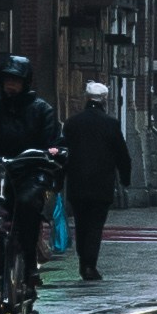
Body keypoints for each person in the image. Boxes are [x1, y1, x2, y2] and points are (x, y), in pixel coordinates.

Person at [0, 54, 61, 314]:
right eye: (7, 80)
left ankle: (30, 268)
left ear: (25, 83)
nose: (11, 86)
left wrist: (52, 152)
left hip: (29, 174)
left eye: (16, 81)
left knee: (26, 207)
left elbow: (52, 140)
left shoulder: (41, 109)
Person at [58, 81, 131, 290]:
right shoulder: (111, 124)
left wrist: (58, 179)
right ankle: (90, 265)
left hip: (77, 183)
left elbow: (63, 154)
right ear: (104, 101)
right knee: (95, 226)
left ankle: (83, 262)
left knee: (81, 224)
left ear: (86, 98)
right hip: (101, 184)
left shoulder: (72, 123)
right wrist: (125, 178)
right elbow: (122, 155)